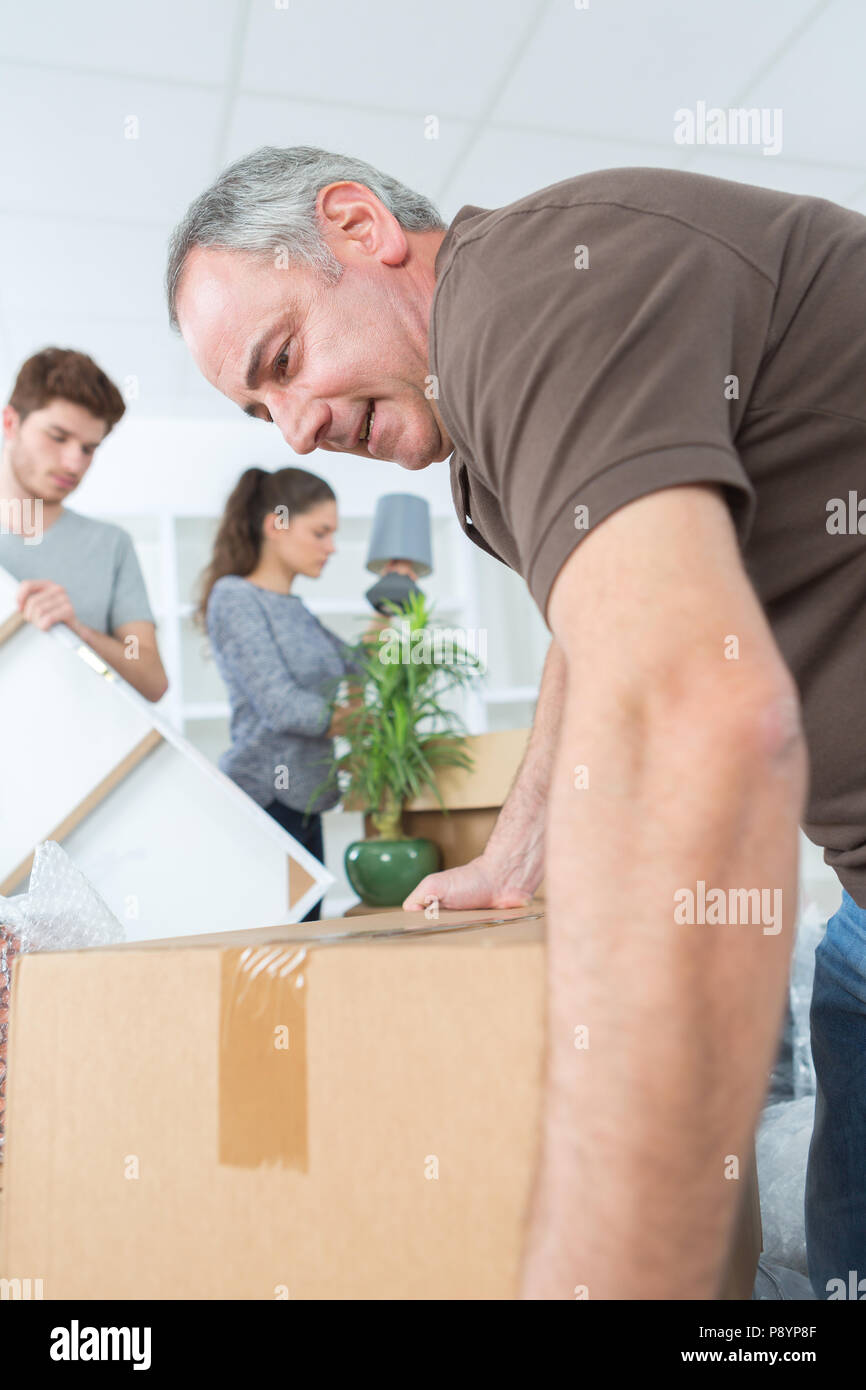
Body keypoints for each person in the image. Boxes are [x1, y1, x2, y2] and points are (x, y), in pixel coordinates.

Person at [165, 147, 866, 1300]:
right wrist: (519, 844)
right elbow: (594, 645)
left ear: (357, 226)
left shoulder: (528, 287)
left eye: (282, 360)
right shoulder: (482, 459)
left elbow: (685, 719)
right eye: (259, 407)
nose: (290, 429)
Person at [201, 465, 396, 921]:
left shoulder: (296, 609)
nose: (332, 547)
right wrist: (357, 721)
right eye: (321, 532)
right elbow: (281, 705)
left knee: (304, 945)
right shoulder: (234, 598)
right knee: (276, 952)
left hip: (307, 800)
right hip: (265, 801)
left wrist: (391, 596)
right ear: (277, 525)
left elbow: (361, 668)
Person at [0, 348, 167, 701]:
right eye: (58, 437)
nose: (74, 463)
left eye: (89, 448)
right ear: (10, 423)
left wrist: (78, 633)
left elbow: (152, 679)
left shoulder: (110, 546)